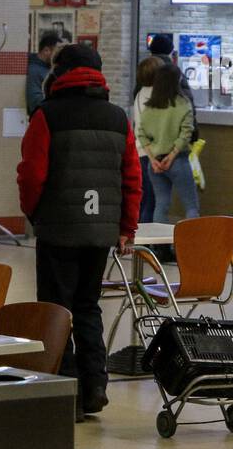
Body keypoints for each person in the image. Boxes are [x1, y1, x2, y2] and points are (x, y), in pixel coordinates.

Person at [17, 44, 141, 421]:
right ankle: (95, 385)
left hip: (57, 229)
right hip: (100, 231)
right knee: (87, 306)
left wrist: (34, 212)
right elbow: (132, 177)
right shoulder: (118, 118)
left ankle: (67, 390)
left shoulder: (47, 114)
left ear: (61, 73)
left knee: (56, 308)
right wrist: (126, 228)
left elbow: (31, 173)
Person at [137, 63, 199, 227]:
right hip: (178, 161)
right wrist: (171, 157)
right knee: (191, 206)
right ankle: (190, 244)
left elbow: (141, 134)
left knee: (161, 204)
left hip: (155, 163)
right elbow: (186, 133)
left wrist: (153, 160)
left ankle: (160, 247)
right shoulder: (183, 104)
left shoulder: (149, 107)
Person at [129, 56, 162, 224]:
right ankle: (148, 245)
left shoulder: (139, 94)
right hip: (153, 154)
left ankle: (139, 241)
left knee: (144, 201)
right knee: (153, 202)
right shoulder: (159, 96)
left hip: (139, 152)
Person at [26, 31, 61, 116]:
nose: (58, 56)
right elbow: (35, 103)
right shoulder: (33, 71)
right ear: (46, 50)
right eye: (56, 53)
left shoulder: (48, 68)